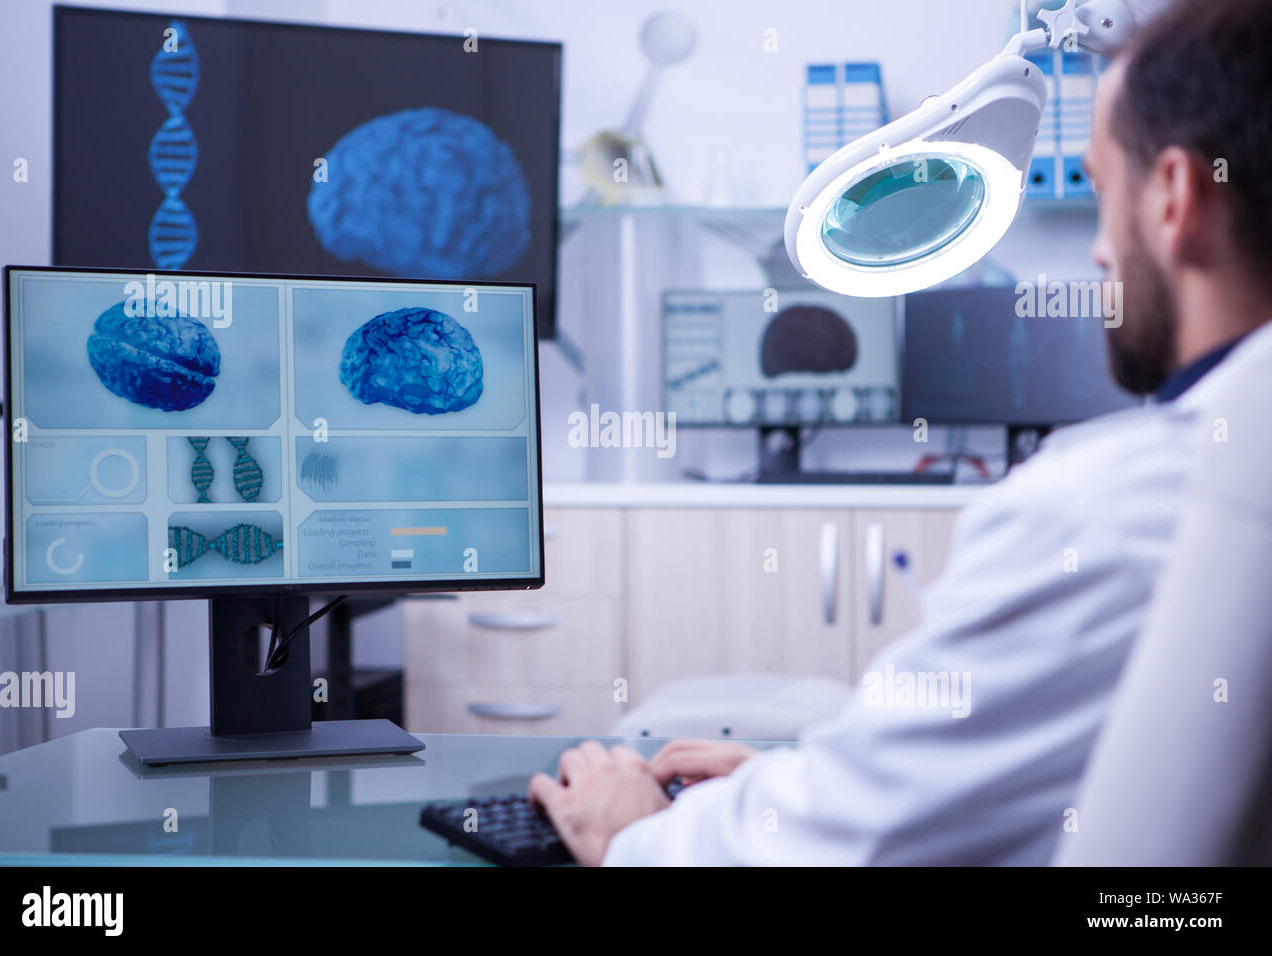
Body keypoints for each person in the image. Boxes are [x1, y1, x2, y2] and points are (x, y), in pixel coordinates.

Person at [528, 0, 1272, 866]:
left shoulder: (1102, 513)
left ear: (1175, 196)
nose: (1100, 256)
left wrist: (642, 834)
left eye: (1102, 191)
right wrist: (807, 783)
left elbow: (849, 844)